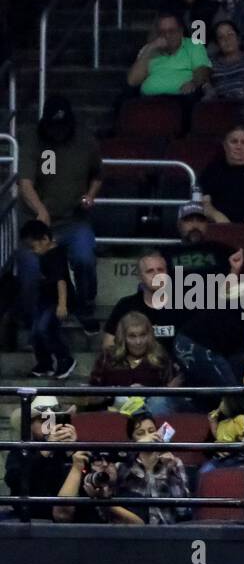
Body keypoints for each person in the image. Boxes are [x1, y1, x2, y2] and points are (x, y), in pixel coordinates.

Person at [17, 96, 100, 337]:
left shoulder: (85, 140)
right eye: (54, 127)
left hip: (74, 219)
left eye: (62, 127)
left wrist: (90, 195)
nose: (58, 132)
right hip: (37, 225)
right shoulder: (33, 139)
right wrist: (40, 210)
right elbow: (25, 183)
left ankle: (84, 306)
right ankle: (32, 320)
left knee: (85, 257)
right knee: (31, 267)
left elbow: (98, 175)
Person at [4, 396, 83, 523]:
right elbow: (13, 480)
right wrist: (44, 451)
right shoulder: (20, 449)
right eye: (44, 421)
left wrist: (72, 449)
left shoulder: (71, 449)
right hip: (30, 516)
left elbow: (89, 479)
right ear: (29, 424)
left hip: (70, 517)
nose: (51, 425)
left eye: (54, 420)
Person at [18, 221, 76, 380]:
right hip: (44, 299)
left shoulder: (56, 255)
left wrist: (62, 304)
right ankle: (45, 363)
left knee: (45, 328)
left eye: (34, 246)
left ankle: (65, 358)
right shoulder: (44, 255)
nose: (33, 251)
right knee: (36, 331)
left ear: (45, 239)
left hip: (56, 301)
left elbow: (61, 281)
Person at [89, 312, 184, 409]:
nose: (138, 342)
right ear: (123, 337)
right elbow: (92, 395)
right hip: (114, 414)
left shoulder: (160, 358)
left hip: (152, 412)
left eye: (143, 335)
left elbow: (171, 393)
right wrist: (115, 393)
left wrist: (147, 393)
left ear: (149, 335)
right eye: (132, 336)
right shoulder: (107, 357)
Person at [115, 411, 192, 525]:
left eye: (151, 431)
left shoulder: (174, 463)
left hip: (167, 531)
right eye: (141, 433)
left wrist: (171, 473)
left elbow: (183, 510)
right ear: (132, 440)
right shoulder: (124, 466)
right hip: (135, 531)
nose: (148, 436)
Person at [126, 11, 212, 97]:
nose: (167, 35)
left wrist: (194, 83)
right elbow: (132, 81)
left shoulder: (194, 45)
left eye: (171, 31)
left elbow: (202, 70)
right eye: (162, 32)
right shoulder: (150, 49)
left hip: (180, 99)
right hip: (149, 100)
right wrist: (150, 48)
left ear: (181, 31)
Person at [206, 20, 244, 104]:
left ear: (238, 38)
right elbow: (205, 84)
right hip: (221, 107)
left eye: (230, 34)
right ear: (217, 43)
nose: (226, 39)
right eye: (221, 37)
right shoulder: (211, 64)